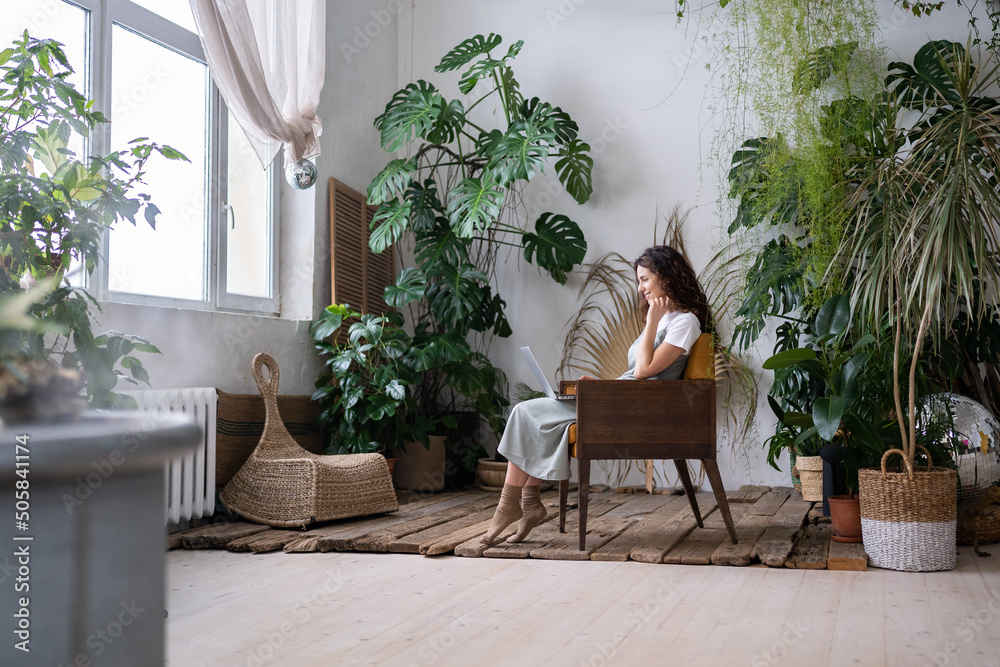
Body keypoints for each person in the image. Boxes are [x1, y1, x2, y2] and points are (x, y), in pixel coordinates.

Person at [481, 245, 710, 546]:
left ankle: (510, 506)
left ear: (665, 277)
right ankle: (528, 502)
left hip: (634, 409)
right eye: (638, 281)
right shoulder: (666, 320)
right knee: (531, 414)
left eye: (644, 279)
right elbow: (637, 375)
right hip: (621, 398)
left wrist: (651, 323)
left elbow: (644, 372)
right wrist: (604, 383)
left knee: (526, 412)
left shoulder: (684, 322)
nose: (640, 288)